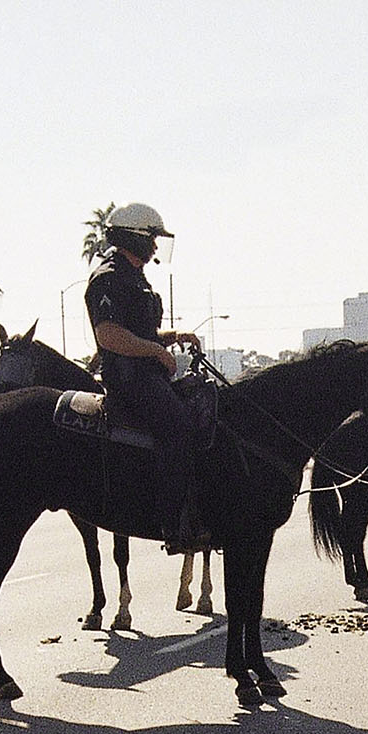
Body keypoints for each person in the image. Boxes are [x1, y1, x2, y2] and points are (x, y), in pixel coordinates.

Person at [84, 201, 211, 551]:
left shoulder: (134, 275)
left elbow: (141, 332)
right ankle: (173, 525)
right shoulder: (109, 276)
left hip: (148, 373)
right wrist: (156, 351)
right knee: (179, 426)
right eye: (152, 238)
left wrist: (173, 337)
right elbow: (108, 334)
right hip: (130, 379)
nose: (156, 246)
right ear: (133, 237)